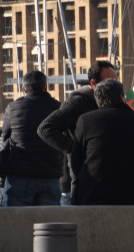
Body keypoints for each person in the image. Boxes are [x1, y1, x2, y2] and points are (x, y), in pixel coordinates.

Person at [38, 60, 118, 204]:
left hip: (111, 177)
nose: (115, 85)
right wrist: (78, 149)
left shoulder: (116, 102)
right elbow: (46, 128)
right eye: (109, 81)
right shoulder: (77, 102)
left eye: (116, 81)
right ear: (93, 84)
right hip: (84, 177)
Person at [71, 79, 134, 206]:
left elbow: (76, 161)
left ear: (98, 100)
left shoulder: (86, 120)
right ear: (122, 97)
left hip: (93, 195)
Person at [0, 70, 62, 206]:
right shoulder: (58, 108)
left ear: (24, 89)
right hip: (50, 175)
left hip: (19, 176)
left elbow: (5, 139)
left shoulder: (13, 107)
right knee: (49, 224)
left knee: (15, 224)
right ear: (45, 85)